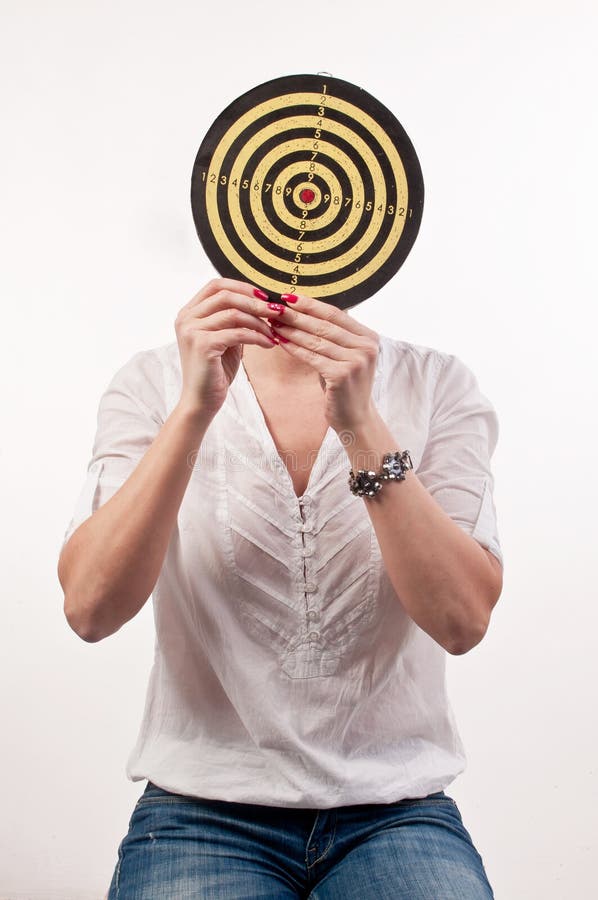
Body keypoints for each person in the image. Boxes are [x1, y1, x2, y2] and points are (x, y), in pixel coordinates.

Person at [57, 277, 503, 898]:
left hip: (396, 807)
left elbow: (462, 620)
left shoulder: (435, 385)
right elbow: (89, 608)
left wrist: (361, 424)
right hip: (201, 810)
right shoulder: (154, 382)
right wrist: (192, 410)